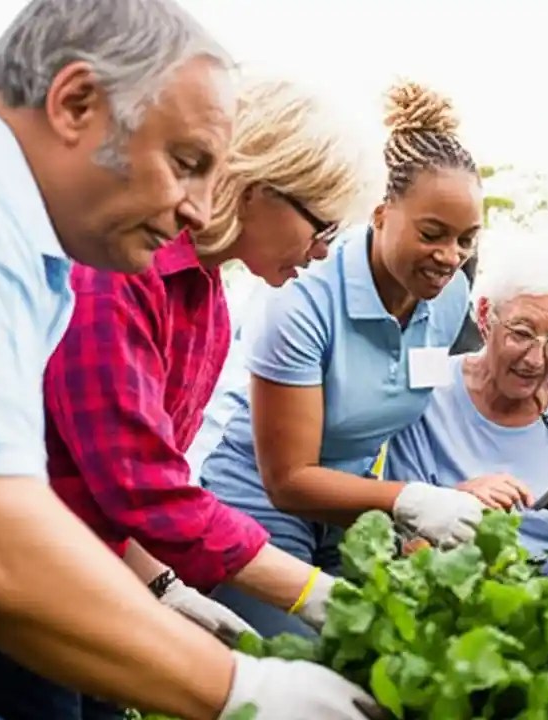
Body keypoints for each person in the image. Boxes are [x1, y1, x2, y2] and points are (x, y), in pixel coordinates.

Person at [0, 2, 380, 719]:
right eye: (186, 165)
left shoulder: (46, 251)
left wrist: (159, 586)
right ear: (74, 104)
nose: (197, 207)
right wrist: (239, 688)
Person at [40, 75, 379, 670]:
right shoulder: (116, 270)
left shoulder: (208, 308)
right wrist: (307, 592)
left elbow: (117, 493)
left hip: (90, 571)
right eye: (320, 226)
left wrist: (160, 586)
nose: (321, 252)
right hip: (16, 569)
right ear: (259, 190)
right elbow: (138, 485)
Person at [201, 81, 492, 638]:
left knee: (378, 658)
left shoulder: (448, 296)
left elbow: (404, 414)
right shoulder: (302, 294)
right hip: (261, 506)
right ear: (381, 215)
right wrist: (408, 502)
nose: (449, 257)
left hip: (356, 513)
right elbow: (287, 480)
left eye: (466, 240)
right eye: (432, 234)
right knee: (295, 663)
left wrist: (427, 503)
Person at [382, 232, 548, 565]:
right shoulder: (425, 397)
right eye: (522, 333)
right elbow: (406, 542)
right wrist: (455, 502)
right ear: (484, 316)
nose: (536, 360)